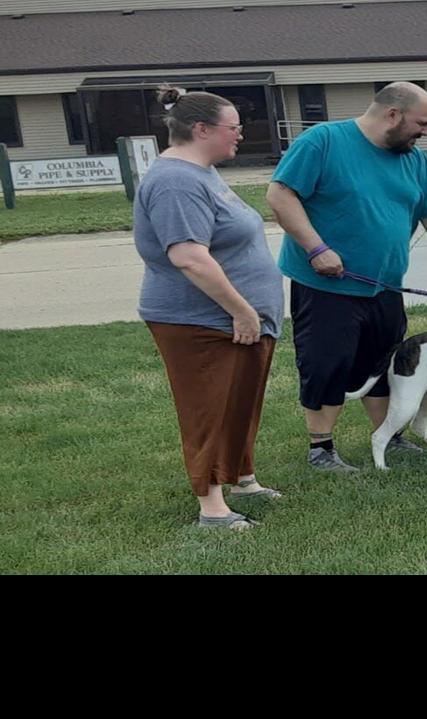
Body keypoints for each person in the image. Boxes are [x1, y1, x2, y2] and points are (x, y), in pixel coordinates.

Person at [266, 81, 427, 471]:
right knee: (326, 364)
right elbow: (280, 195)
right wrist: (317, 249)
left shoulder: (413, 159)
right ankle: (321, 448)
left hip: (384, 285)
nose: (426, 131)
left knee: (384, 364)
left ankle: (390, 436)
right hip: (325, 285)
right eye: (422, 122)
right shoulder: (324, 141)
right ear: (393, 115)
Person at [134, 87, 285, 530]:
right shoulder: (175, 181)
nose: (240, 136)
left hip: (234, 317)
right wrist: (241, 310)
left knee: (239, 401)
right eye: (233, 128)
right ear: (201, 129)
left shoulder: (201, 173)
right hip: (199, 320)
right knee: (208, 408)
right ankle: (212, 507)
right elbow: (188, 256)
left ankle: (242, 478)